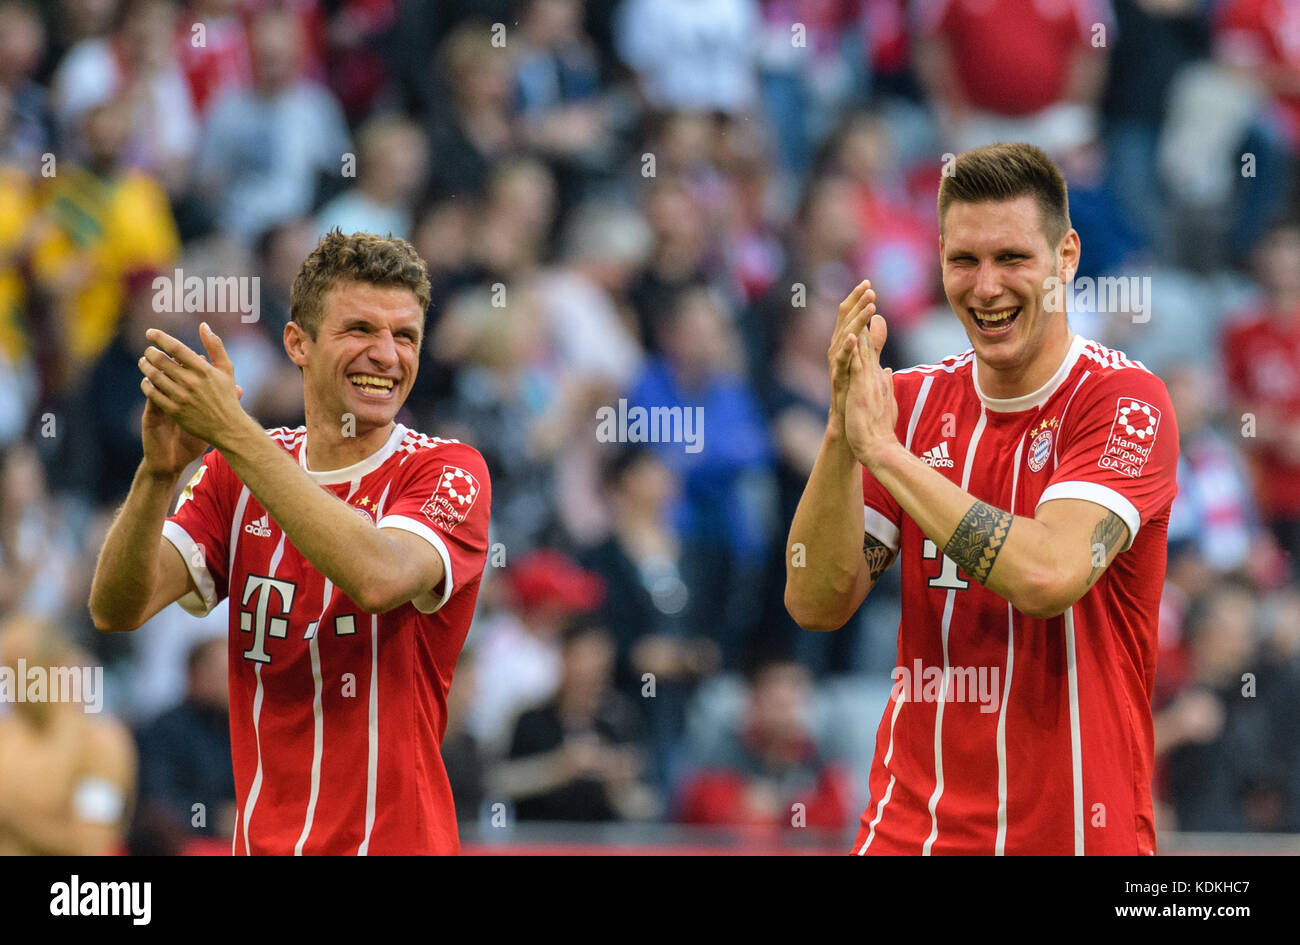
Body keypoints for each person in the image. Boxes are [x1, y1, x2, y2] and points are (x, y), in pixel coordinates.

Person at [785, 142, 1180, 855]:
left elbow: (1047, 576)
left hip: (1075, 832)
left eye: (1012, 258)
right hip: (910, 831)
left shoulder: (1125, 403)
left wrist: (886, 453)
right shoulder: (906, 405)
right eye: (964, 260)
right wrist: (843, 430)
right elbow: (816, 600)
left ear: (1066, 257)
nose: (986, 286)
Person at [88, 230, 492, 855]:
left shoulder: (449, 471)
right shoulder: (233, 472)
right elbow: (116, 607)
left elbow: (379, 577)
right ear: (298, 342)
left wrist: (231, 431)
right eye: (360, 329)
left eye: (405, 336)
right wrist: (158, 474)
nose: (387, 355)